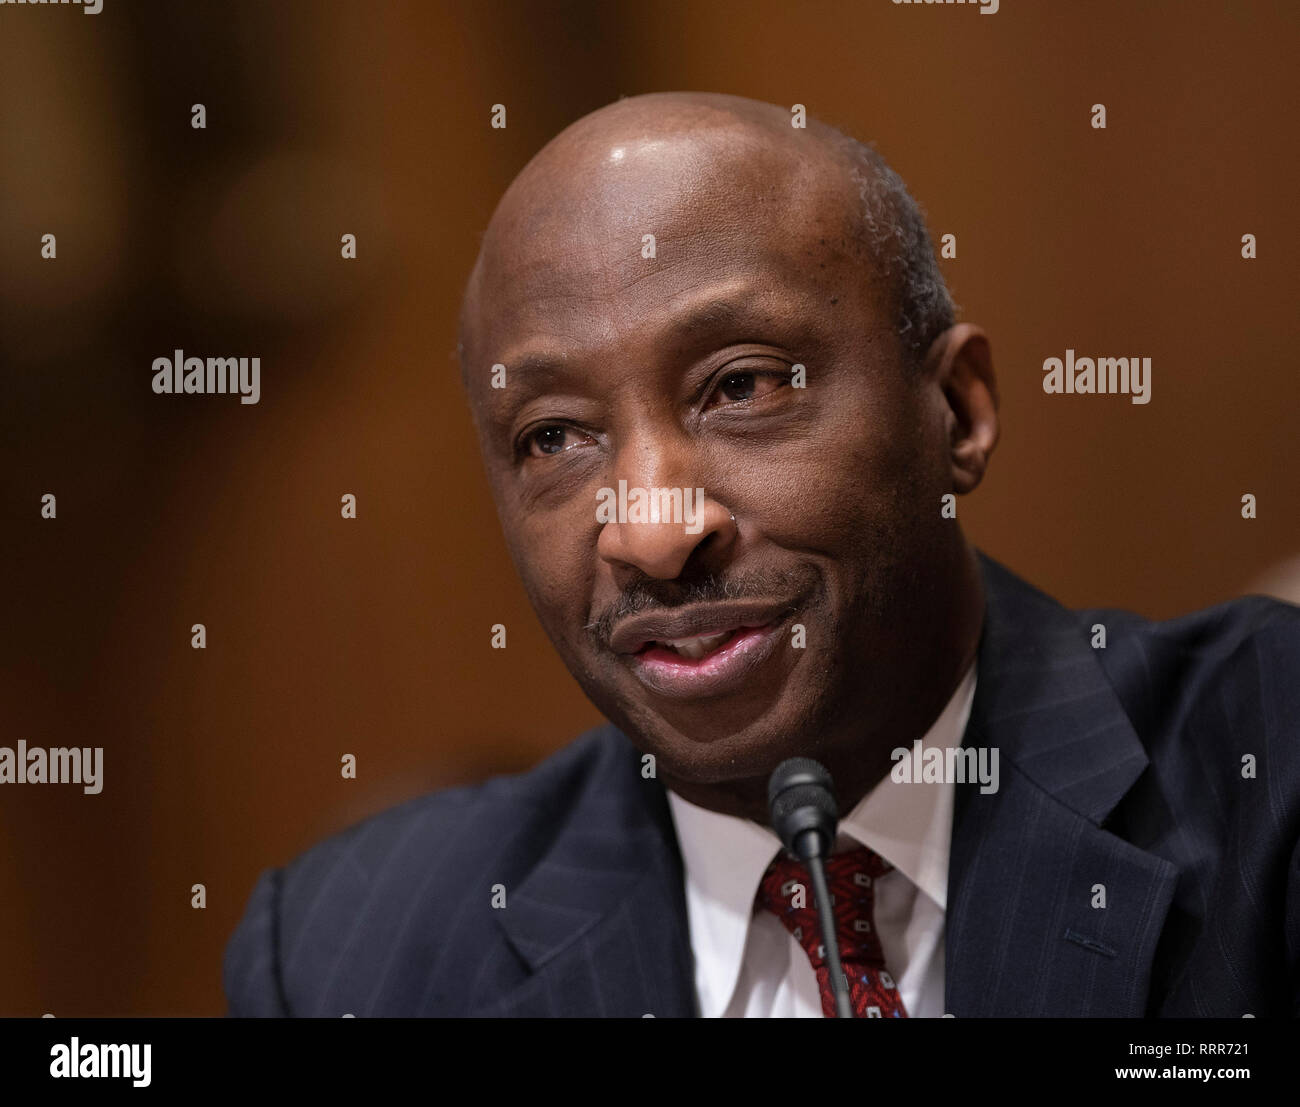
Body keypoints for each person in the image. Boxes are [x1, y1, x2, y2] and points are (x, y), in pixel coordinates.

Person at [224, 92, 1300, 1017]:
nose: (651, 528)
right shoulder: (347, 958)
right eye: (554, 438)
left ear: (957, 412)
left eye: (742, 386)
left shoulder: (1266, 765)